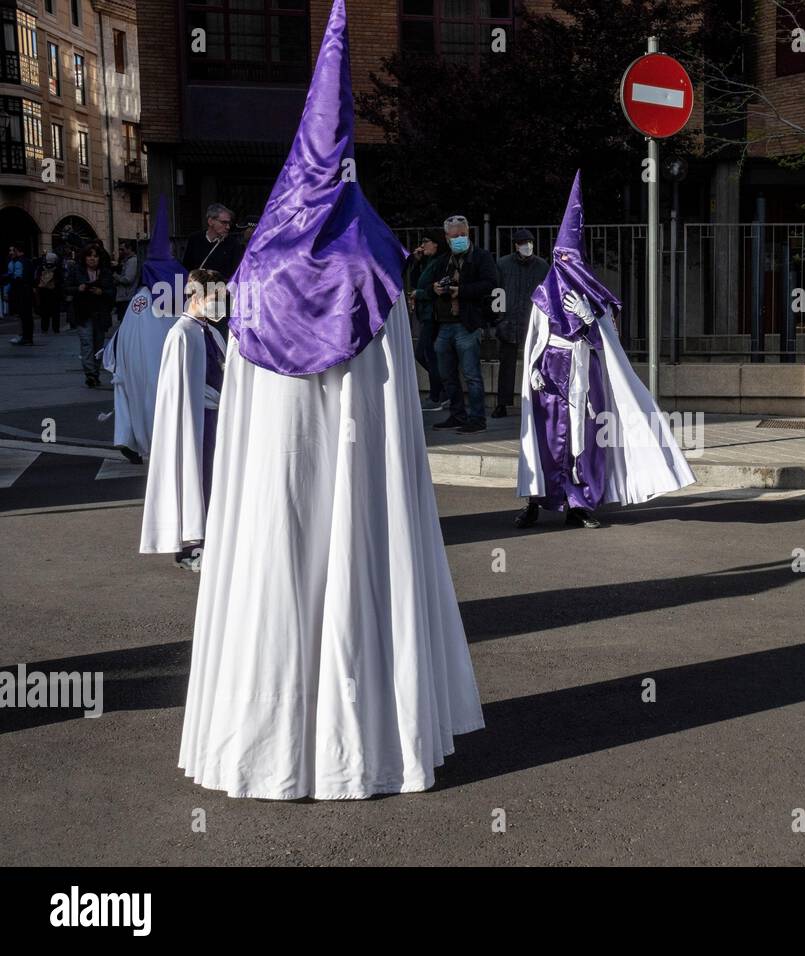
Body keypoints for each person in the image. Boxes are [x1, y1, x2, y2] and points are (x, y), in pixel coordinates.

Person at [179, 0, 483, 799]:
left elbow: (237, 390)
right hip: (357, 458)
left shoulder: (255, 272)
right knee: (364, 548)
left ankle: (268, 745)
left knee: (272, 550)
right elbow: (397, 400)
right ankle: (370, 742)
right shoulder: (377, 260)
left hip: (278, 466)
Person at [515, 171, 696, 530]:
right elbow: (534, 338)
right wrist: (533, 368)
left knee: (583, 439)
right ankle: (536, 501)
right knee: (546, 440)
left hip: (584, 372)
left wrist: (592, 321)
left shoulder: (594, 296)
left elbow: (610, 344)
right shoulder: (542, 295)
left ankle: (578, 505)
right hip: (549, 376)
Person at [139, 269, 226, 569]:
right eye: (216, 298)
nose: (220, 306)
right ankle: (195, 544)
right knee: (196, 477)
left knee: (214, 479)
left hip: (215, 416)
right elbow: (175, 391)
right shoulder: (180, 334)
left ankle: (211, 539)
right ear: (196, 296)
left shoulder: (212, 332)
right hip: (195, 419)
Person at [101, 198, 185, 464]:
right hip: (149, 362)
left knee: (131, 400)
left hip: (129, 361)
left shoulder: (143, 296)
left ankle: (131, 441)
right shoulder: (164, 299)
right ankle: (151, 444)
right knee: (152, 398)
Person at [422, 213, 497, 433]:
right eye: (455, 236)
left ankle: (477, 419)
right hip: (444, 324)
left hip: (467, 324)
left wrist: (461, 291)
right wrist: (434, 289)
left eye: (463, 234)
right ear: (446, 237)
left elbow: (491, 284)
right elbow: (425, 286)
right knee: (447, 374)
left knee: (471, 374)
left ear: (469, 233)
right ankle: (457, 414)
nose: (459, 239)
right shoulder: (443, 260)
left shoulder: (482, 257)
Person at [494, 228, 548, 418]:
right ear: (516, 245)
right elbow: (497, 292)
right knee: (506, 365)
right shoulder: (502, 264)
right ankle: (502, 403)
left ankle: (536, 401)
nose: (528, 246)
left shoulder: (542, 266)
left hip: (532, 321)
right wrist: (498, 318)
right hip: (509, 320)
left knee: (535, 363)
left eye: (530, 242)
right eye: (524, 242)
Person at [407, 233, 447, 410]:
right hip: (426, 314)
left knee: (424, 353)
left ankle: (437, 393)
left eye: (426, 241)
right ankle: (441, 391)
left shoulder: (439, 263)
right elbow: (415, 282)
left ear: (436, 244)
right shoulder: (427, 262)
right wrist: (416, 261)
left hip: (433, 314)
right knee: (428, 354)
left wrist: (419, 294)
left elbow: (436, 289)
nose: (423, 245)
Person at [71, 244, 115, 387]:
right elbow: (65, 288)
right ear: (84, 258)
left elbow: (112, 293)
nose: (92, 259)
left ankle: (95, 373)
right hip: (83, 313)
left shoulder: (106, 273)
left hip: (100, 314)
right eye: (89, 256)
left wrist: (101, 292)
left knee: (98, 345)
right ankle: (90, 374)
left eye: (95, 256)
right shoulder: (77, 272)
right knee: (87, 344)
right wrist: (79, 288)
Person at [181, 203, 241, 280]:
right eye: (224, 222)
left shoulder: (233, 244)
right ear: (210, 221)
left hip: (220, 289)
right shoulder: (195, 239)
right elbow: (187, 266)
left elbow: (236, 273)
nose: (228, 227)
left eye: (229, 223)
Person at [5, 245, 34, 346]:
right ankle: (26, 337)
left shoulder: (19, 262)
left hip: (22, 291)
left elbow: (17, 277)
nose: (10, 253)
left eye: (13, 251)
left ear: (18, 252)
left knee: (24, 315)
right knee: (25, 315)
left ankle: (26, 338)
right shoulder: (25, 261)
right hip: (25, 290)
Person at [34, 251, 64, 335]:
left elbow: (37, 280)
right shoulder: (57, 268)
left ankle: (44, 329)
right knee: (55, 313)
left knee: (44, 313)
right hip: (54, 293)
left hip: (43, 293)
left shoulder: (41, 267)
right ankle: (56, 329)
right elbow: (61, 280)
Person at [113, 240, 139, 326]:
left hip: (127, 297)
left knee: (125, 323)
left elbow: (128, 279)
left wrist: (115, 276)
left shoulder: (132, 261)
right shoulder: (127, 260)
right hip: (124, 297)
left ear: (129, 249)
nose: (120, 251)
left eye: (122, 249)